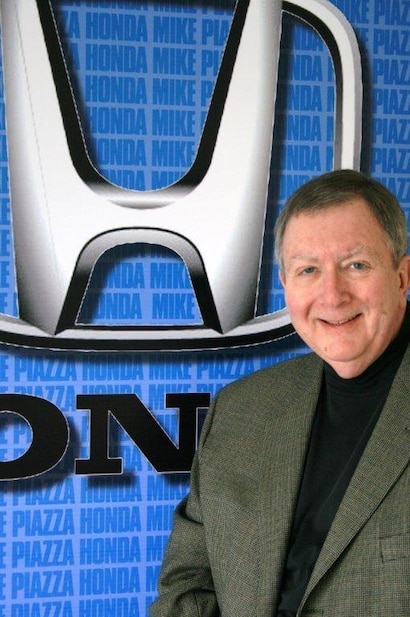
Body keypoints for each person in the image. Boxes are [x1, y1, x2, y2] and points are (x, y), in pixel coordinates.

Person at [149, 169, 410, 617]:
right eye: (309, 270)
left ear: (402, 276)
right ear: (286, 285)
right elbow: (188, 581)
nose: (332, 295)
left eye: (356, 265)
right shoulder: (240, 409)